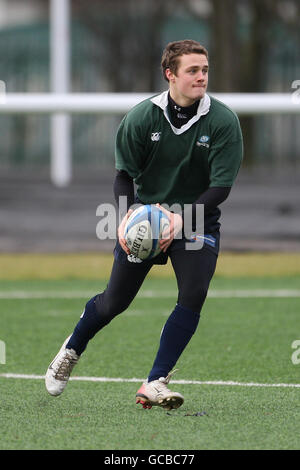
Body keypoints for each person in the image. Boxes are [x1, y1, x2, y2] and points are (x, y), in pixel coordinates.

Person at [45, 39, 243, 410]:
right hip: (145, 220)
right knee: (113, 303)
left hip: (196, 220)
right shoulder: (141, 117)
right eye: (193, 70)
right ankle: (71, 349)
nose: (202, 77)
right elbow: (124, 176)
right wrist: (128, 218)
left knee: (194, 293)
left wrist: (180, 220)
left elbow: (221, 187)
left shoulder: (223, 121)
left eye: (205, 70)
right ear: (170, 74)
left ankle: (156, 381)